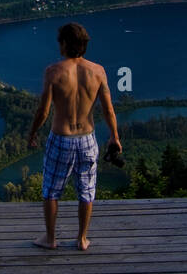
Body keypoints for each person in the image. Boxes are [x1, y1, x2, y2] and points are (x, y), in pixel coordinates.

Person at [26, 22, 121, 251]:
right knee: (87, 190)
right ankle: (82, 239)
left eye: (60, 41)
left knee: (51, 189)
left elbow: (44, 111)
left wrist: (33, 133)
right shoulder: (98, 71)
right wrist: (114, 137)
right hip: (88, 138)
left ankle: (50, 239)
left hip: (61, 138)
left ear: (65, 44)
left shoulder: (53, 72)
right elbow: (108, 110)